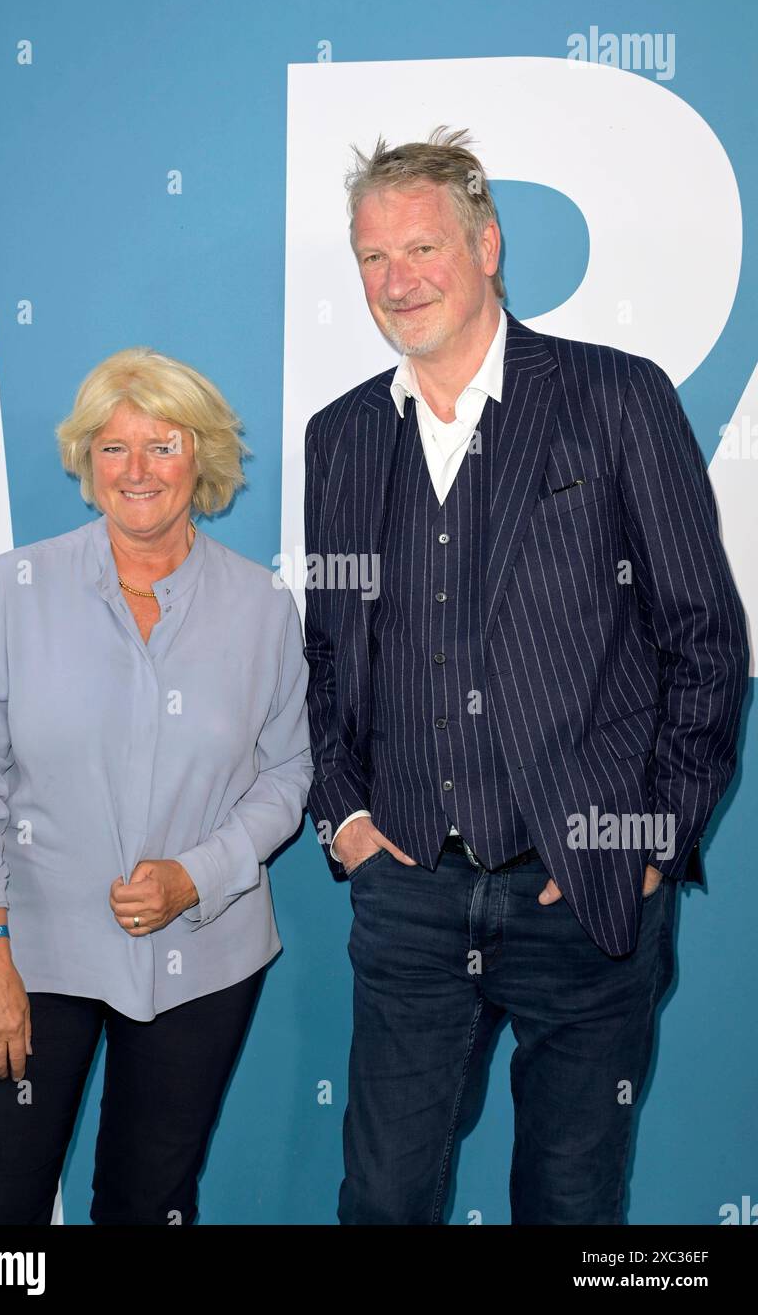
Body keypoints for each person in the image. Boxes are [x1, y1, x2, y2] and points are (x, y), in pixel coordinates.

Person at [302, 127, 749, 1224]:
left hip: (584, 896)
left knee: (571, 1202)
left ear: (487, 243)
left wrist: (649, 841)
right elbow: (326, 652)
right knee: (387, 1199)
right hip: (409, 895)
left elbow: (705, 638)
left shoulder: (617, 399)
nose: (398, 280)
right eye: (373, 258)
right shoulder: (341, 439)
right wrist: (343, 810)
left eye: (422, 247)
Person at [0, 347, 312, 1225]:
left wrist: (198, 875)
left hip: (203, 962)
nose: (136, 471)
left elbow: (290, 773)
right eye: (112, 447)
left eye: (163, 445)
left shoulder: (261, 608)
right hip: (27, 958)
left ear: (203, 456)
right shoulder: (18, 586)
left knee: (150, 1206)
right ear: (86, 460)